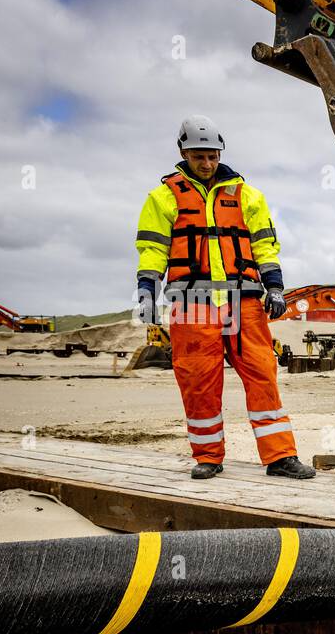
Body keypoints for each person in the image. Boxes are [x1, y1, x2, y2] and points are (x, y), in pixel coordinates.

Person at [135, 115, 315, 481]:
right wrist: (146, 292)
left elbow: (265, 245)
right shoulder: (162, 197)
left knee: (263, 374)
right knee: (198, 381)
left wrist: (275, 287)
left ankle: (280, 456)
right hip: (192, 305)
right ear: (183, 152)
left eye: (213, 156)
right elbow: (152, 249)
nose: (207, 163)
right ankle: (208, 456)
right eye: (199, 156)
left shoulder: (248, 195)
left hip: (244, 301)